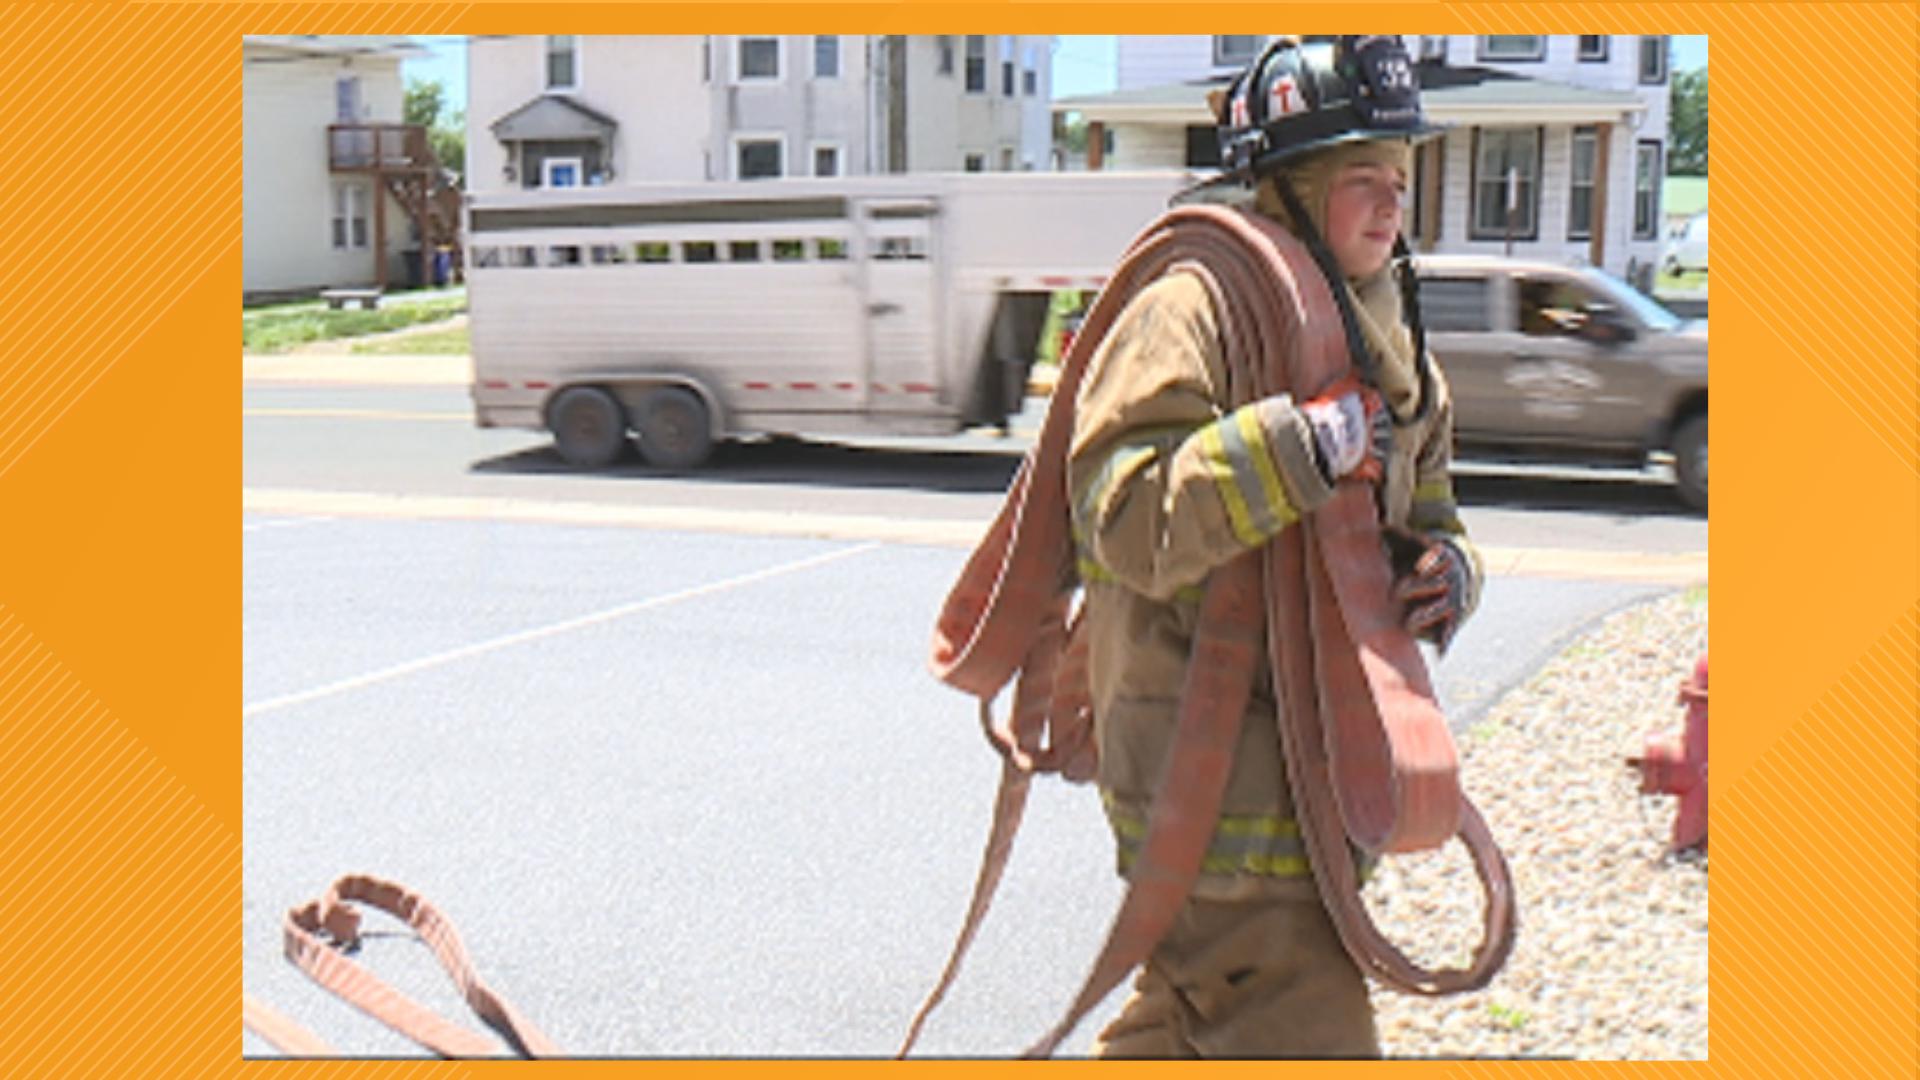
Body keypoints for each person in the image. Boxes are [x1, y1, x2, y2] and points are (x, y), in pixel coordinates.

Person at [1066, 36, 1484, 1058]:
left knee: (1189, 1021)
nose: (1389, 204)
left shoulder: (1388, 326)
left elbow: (1428, 501)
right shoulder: (1194, 307)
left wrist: (1446, 570)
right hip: (1211, 783)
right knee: (1300, 1031)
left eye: (1397, 179)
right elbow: (1122, 520)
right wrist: (1300, 444)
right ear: (1291, 186)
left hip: (1318, 774)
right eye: (1358, 180)